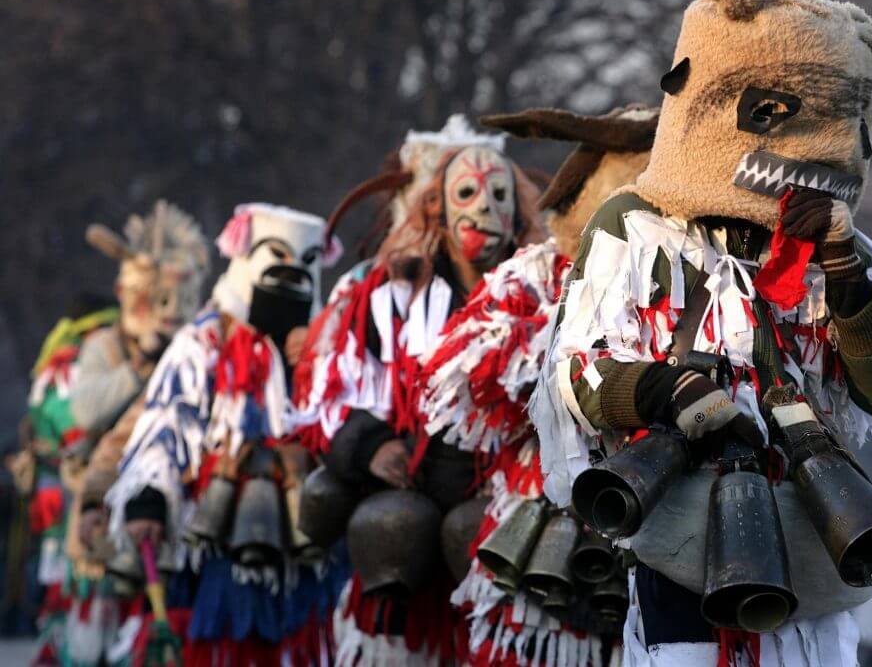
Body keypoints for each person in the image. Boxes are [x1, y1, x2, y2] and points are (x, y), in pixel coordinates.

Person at [531, 0, 872, 666]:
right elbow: (576, 379)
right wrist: (665, 391)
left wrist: (842, 271)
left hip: (817, 529)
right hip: (676, 517)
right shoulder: (636, 226)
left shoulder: (843, 252)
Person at [418, 104, 659, 666]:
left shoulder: (686, 280)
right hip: (536, 515)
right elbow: (457, 376)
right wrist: (561, 362)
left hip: (644, 529)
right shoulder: (536, 273)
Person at [303, 136, 543, 666]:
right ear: (437, 207)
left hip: (498, 530)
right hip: (403, 526)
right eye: (468, 192)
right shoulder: (388, 294)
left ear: (517, 211)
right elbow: (330, 386)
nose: (484, 206)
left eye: (499, 194)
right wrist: (369, 447)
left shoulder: (543, 291)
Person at [104, 203, 340, 665]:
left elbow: (336, 422)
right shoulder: (206, 339)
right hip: (213, 536)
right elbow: (168, 418)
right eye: (277, 259)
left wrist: (310, 363)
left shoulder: (325, 347)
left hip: (300, 545)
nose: (292, 276)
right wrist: (149, 496)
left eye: (306, 265)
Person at [19, 202, 208, 665]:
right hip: (99, 504)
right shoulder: (105, 345)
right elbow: (86, 410)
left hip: (164, 507)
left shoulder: (190, 347)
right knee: (93, 630)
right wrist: (141, 368)